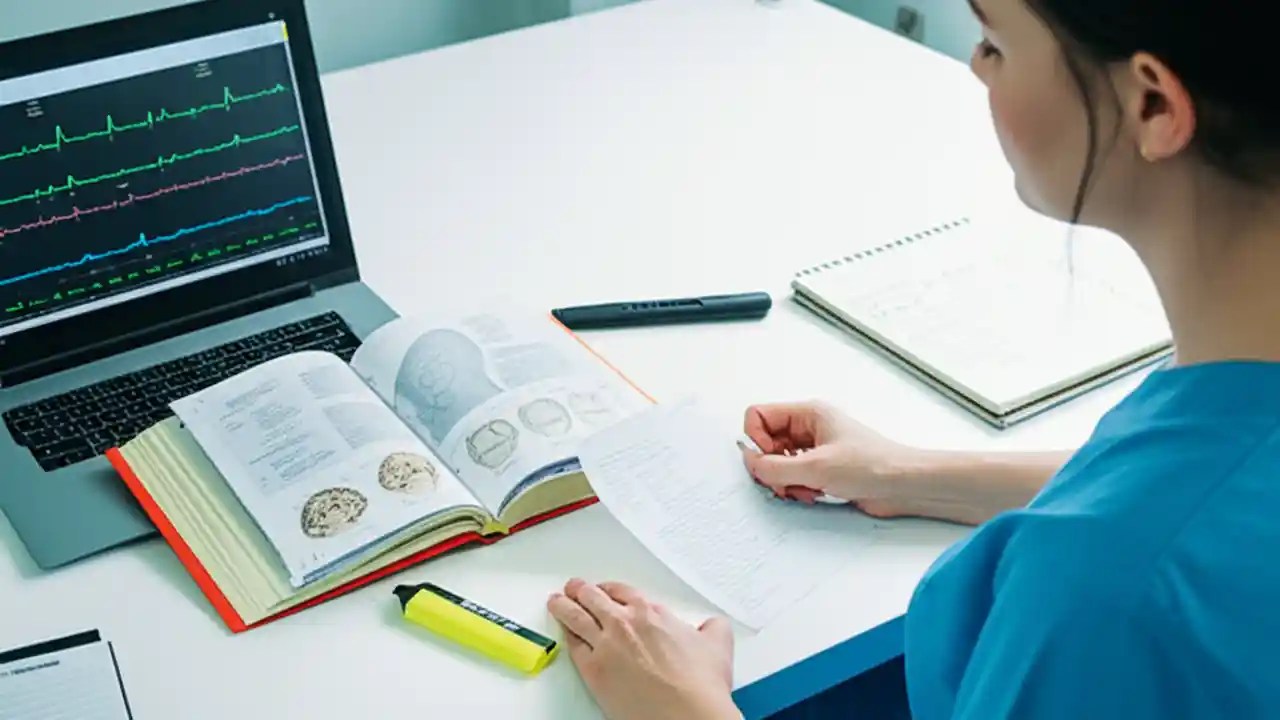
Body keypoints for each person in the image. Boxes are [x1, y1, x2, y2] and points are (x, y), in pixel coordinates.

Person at [546, 0, 1280, 716]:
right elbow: (1215, 506)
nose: (974, 64)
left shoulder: (1102, 604)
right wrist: (906, 475)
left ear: (1153, 105)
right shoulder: (1236, 373)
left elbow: (1160, 537)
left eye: (995, 42)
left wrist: (683, 711)